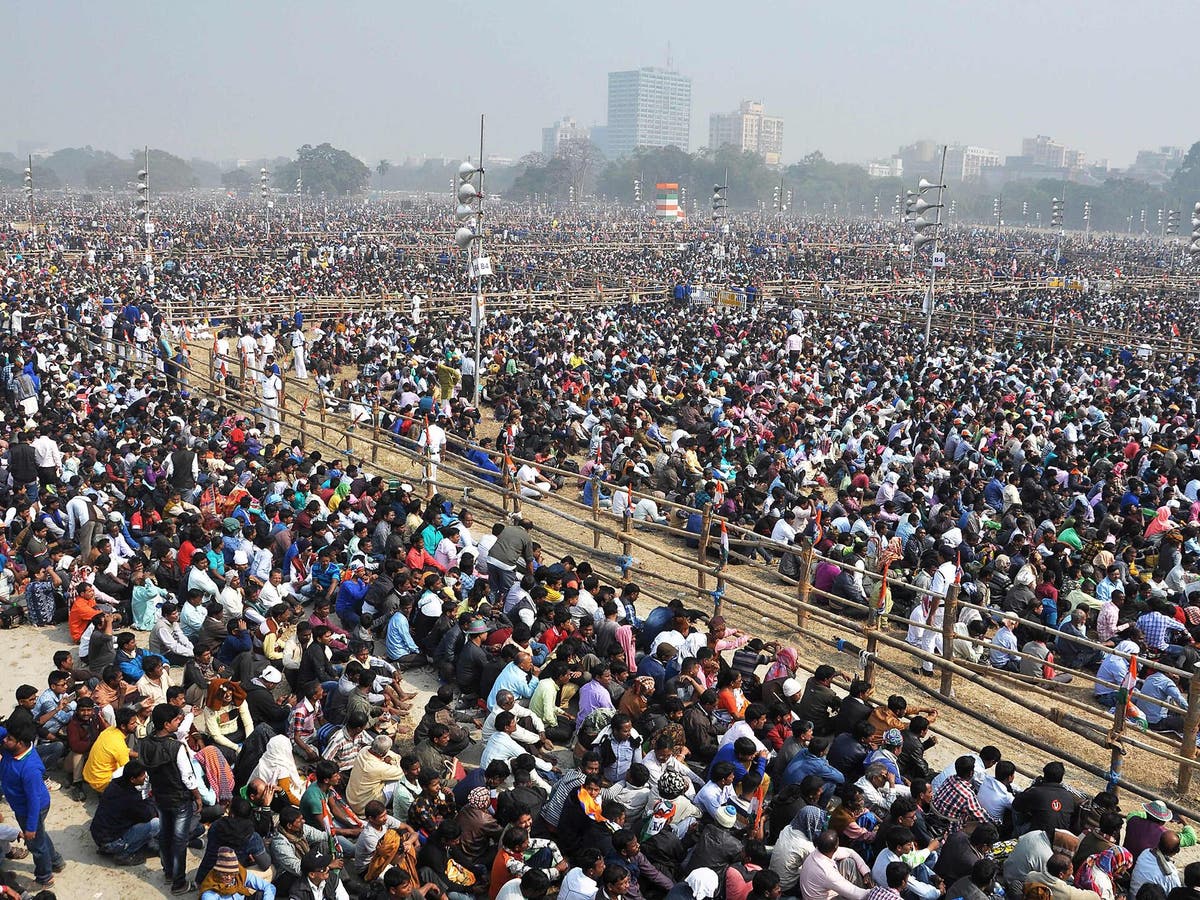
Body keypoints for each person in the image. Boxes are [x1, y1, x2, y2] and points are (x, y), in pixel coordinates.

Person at [140, 703, 203, 895]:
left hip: (160, 797)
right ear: (167, 724)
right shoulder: (175, 747)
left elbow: (146, 773)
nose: (179, 722)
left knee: (166, 836)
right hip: (179, 799)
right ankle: (178, 883)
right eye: (177, 720)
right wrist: (198, 797)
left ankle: (169, 872)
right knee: (179, 841)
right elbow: (188, 777)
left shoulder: (145, 743)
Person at [0, 720, 64, 888]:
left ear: (20, 743)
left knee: (35, 844)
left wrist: (30, 828)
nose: (4, 741)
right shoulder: (11, 747)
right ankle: (56, 861)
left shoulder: (29, 768)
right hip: (23, 805)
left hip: (31, 808)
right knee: (40, 837)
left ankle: (44, 877)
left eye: (9, 739)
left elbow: (33, 800)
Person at [89, 759, 161, 864]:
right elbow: (149, 814)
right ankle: (124, 853)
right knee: (156, 824)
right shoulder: (131, 797)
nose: (145, 777)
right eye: (142, 775)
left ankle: (110, 848)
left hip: (99, 836)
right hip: (111, 841)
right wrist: (149, 798)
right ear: (132, 779)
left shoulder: (114, 784)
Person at [198, 845, 277, 900]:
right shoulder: (210, 893)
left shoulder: (240, 875)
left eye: (232, 874)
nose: (229, 877)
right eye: (225, 874)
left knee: (260, 894)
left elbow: (269, 887)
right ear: (218, 872)